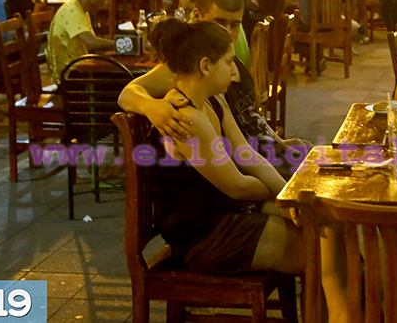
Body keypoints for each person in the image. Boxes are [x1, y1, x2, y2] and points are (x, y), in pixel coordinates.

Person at [122, 19, 346, 317]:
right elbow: (237, 186)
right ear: (205, 66)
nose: (235, 70)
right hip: (204, 236)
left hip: (228, 213)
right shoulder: (186, 119)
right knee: (323, 250)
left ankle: (343, 314)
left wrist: (289, 194)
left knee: (326, 228)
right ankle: (347, 315)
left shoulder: (214, 100)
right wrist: (280, 195)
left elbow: (247, 155)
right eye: (228, 62)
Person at [118, 0, 308, 178]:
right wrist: (151, 107)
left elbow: (250, 114)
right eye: (220, 22)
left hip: (262, 155)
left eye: (235, 24)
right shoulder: (187, 68)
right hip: (241, 166)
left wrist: (279, 141)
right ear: (197, 16)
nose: (228, 31)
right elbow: (127, 94)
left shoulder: (227, 56)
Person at [46, 0, 115, 83]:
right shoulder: (71, 11)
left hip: (80, 73)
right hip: (70, 81)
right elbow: (91, 43)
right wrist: (125, 44)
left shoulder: (82, 10)